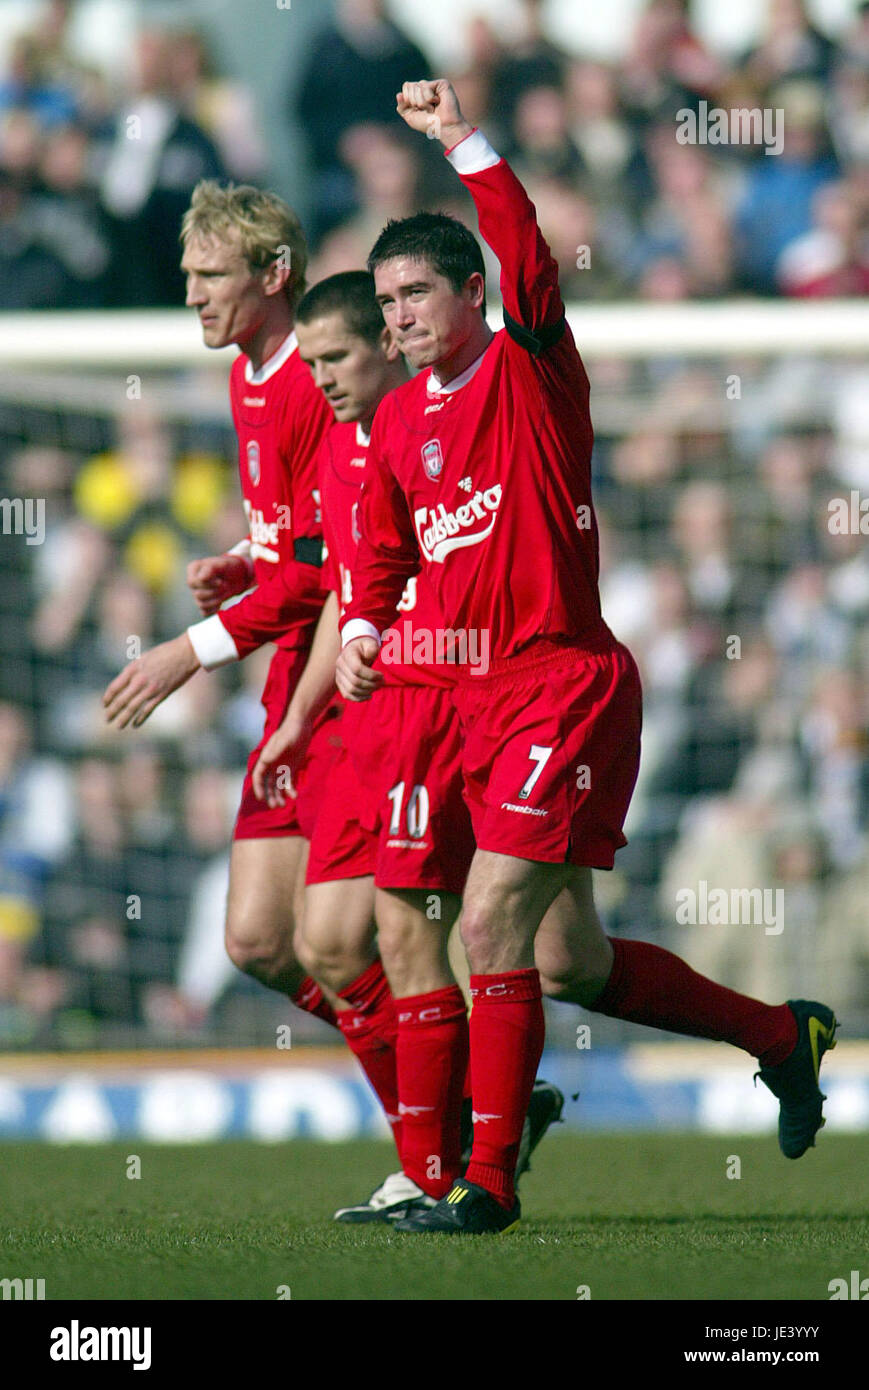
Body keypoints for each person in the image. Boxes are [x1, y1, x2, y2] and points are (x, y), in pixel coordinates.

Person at [337, 79, 838, 1235]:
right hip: (460, 700)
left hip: (560, 684)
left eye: (417, 292)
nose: (400, 316)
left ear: (473, 294)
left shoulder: (530, 368)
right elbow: (376, 553)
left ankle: (488, 1185)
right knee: (565, 958)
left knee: (485, 927)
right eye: (385, 300)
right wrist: (363, 629)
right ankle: (781, 1032)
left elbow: (520, 243)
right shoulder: (398, 424)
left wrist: (462, 136)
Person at [253, 270, 562, 1222]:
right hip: (384, 709)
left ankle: (444, 1164)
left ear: (391, 345)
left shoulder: (444, 426)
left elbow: (400, 581)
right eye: (308, 365)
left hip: (453, 703)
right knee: (342, 939)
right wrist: (305, 710)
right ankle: (452, 1143)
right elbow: (346, 586)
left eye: (335, 357)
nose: (321, 379)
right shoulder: (354, 448)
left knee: (390, 934)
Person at [101, 182, 402, 1112]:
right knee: (257, 944)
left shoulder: (320, 381)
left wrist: (183, 651)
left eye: (209, 274)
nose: (190, 292)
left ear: (275, 274)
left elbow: (328, 575)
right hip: (286, 672)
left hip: (342, 680)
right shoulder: (246, 374)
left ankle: (448, 1128)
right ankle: (459, 1094)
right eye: (187, 274)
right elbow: (295, 547)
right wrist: (241, 558)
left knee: (337, 940)